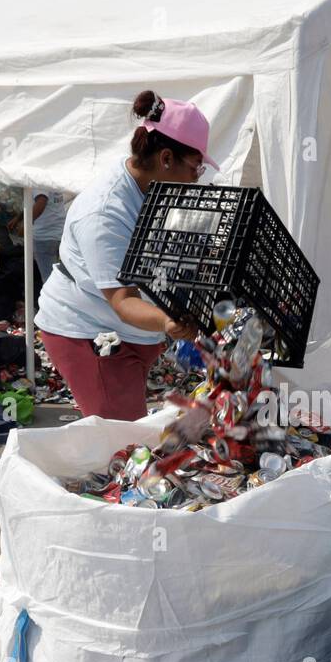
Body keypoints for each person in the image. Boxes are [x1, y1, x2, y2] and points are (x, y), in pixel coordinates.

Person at [35, 90, 212, 420]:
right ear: (167, 158)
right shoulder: (105, 213)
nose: (195, 178)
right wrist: (167, 321)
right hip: (91, 332)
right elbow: (122, 300)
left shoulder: (152, 187)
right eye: (195, 168)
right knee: (122, 443)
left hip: (135, 332)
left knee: (128, 431)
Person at [11, 189, 68, 286]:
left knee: (49, 280)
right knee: (63, 276)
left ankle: (54, 300)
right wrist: (19, 218)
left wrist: (26, 225)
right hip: (60, 233)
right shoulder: (49, 179)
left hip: (44, 237)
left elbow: (41, 201)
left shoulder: (37, 180)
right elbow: (33, 203)